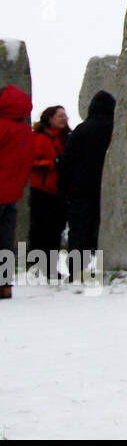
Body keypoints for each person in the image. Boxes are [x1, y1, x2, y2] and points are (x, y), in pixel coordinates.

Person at [62, 90, 116, 283]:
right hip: (107, 186)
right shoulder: (115, 128)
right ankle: (104, 266)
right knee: (104, 226)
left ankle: (76, 270)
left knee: (79, 229)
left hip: (81, 186)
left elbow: (68, 160)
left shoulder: (81, 129)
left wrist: (66, 185)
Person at [0, 85, 35, 300]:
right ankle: (4, 285)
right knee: (5, 242)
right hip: (11, 193)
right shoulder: (24, 130)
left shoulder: (2, 126)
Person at [28, 105, 69, 282]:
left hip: (59, 191)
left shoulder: (66, 138)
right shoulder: (38, 138)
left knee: (55, 230)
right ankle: (37, 267)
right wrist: (53, 163)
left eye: (65, 115)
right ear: (50, 118)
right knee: (41, 230)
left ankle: (50, 268)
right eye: (60, 115)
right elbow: (31, 162)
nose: (64, 118)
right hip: (42, 190)